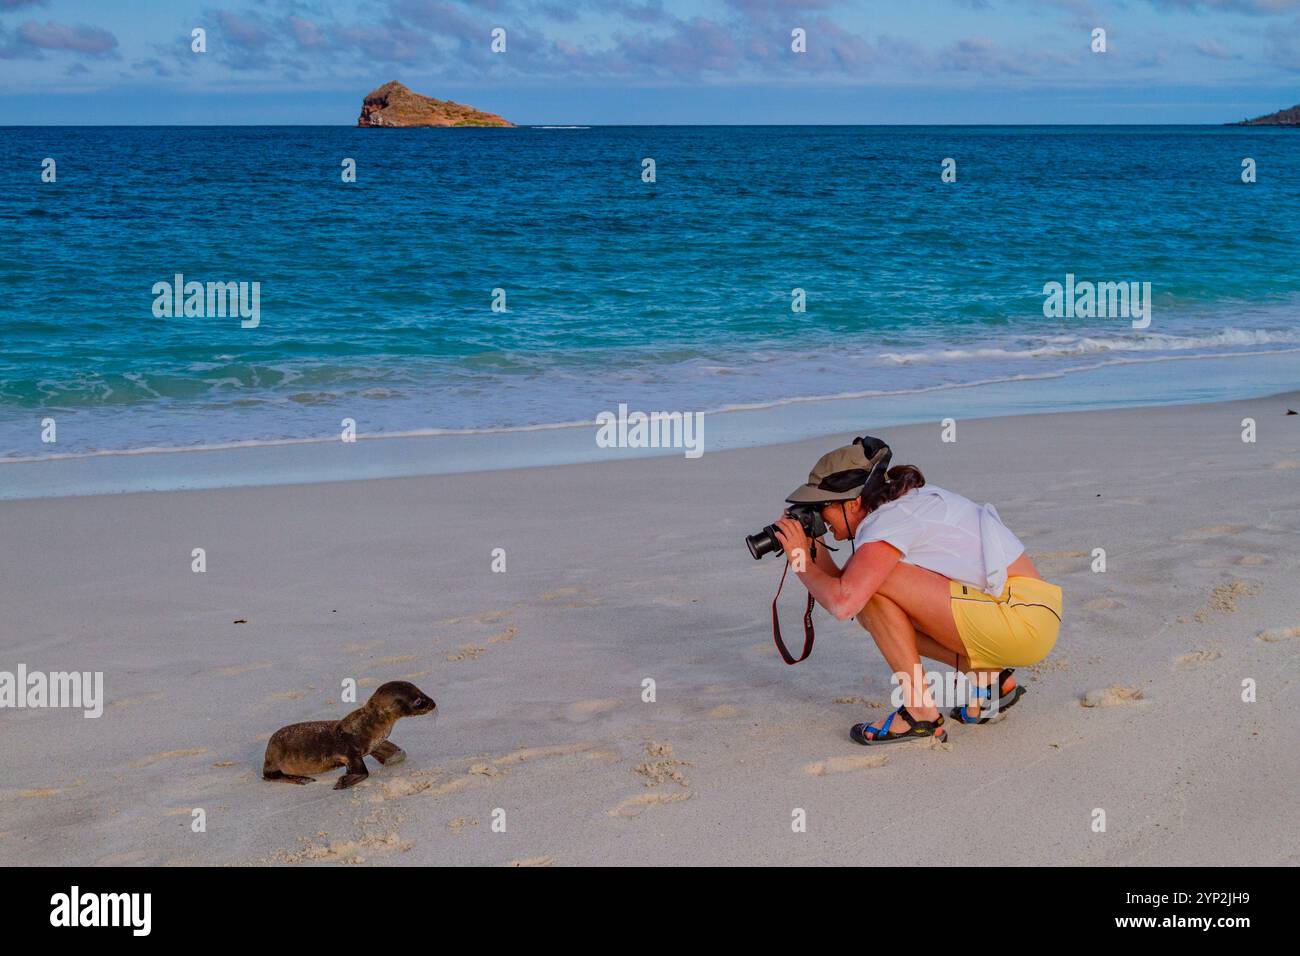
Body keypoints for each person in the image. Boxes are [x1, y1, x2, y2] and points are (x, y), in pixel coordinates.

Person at [771, 436, 1062, 745]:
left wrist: (799, 559)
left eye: (821, 507)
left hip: (1020, 619)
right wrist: (812, 546)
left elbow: (844, 603)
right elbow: (846, 592)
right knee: (868, 596)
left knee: (867, 591)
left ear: (853, 502)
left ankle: (920, 711)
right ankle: (990, 679)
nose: (819, 517)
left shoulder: (888, 522)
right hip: (1029, 616)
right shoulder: (899, 508)